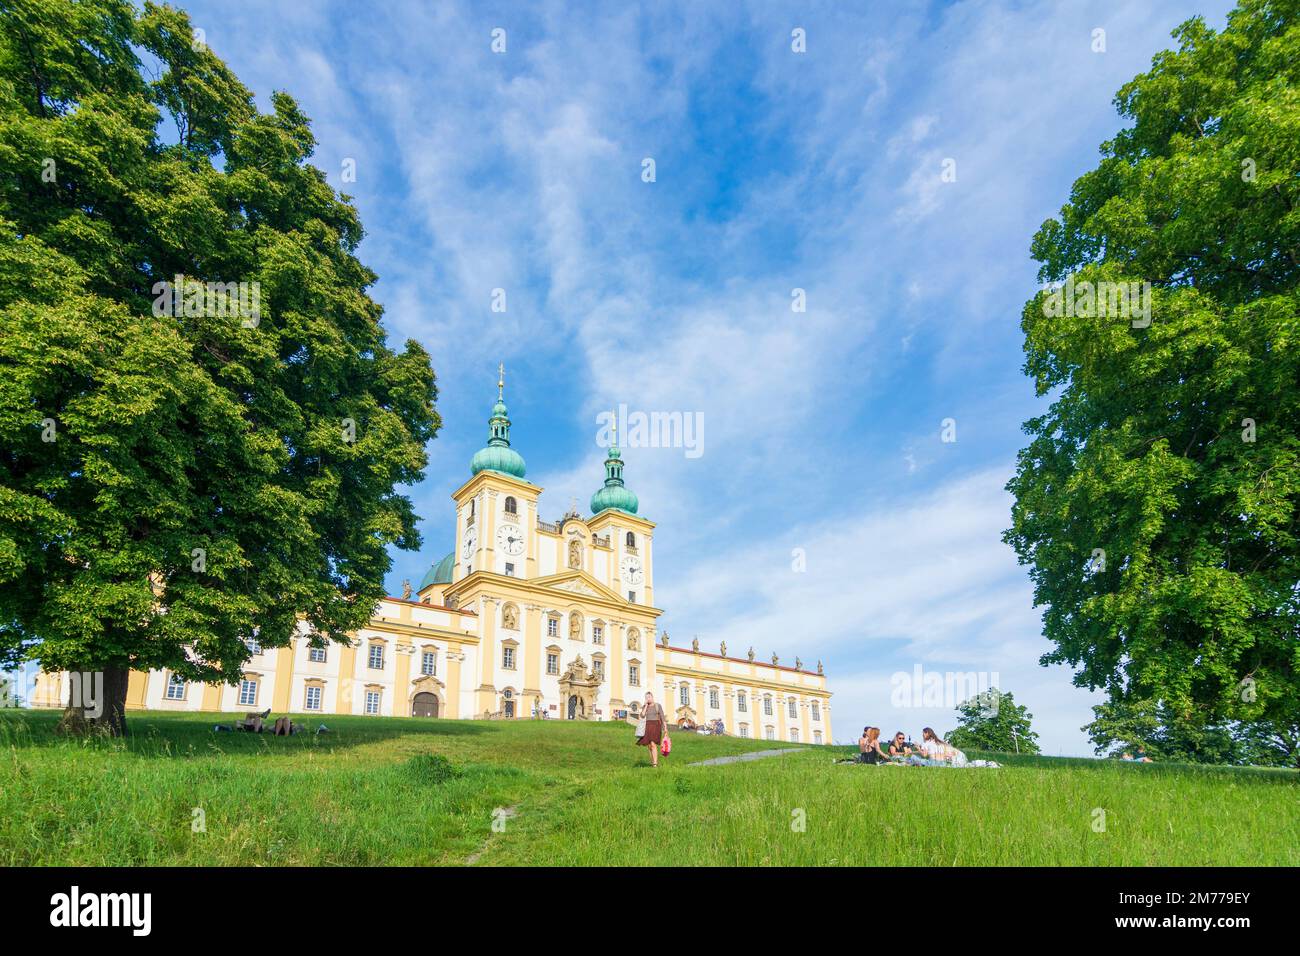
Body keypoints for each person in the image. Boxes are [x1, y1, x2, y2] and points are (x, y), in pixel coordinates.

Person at [637, 692, 669, 767]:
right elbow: (642, 715)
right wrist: (645, 706)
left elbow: (662, 717)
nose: (648, 699)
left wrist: (665, 728)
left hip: (656, 726)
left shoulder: (657, 705)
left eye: (649, 697)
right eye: (646, 697)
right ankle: (652, 762)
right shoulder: (645, 706)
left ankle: (655, 764)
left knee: (653, 744)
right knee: (649, 745)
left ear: (652, 697)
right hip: (647, 726)